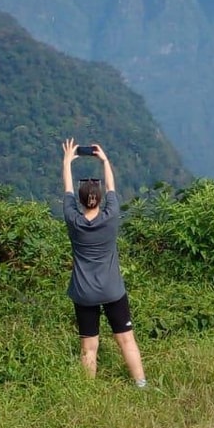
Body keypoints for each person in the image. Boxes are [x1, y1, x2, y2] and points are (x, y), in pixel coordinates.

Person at [60, 138, 147, 387]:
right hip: (112, 291)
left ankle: (88, 393)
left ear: (80, 199)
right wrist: (105, 160)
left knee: (89, 347)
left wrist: (67, 161)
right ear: (99, 199)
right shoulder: (111, 217)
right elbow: (112, 188)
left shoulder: (73, 220)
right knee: (126, 340)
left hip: (84, 292)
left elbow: (66, 190)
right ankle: (141, 385)